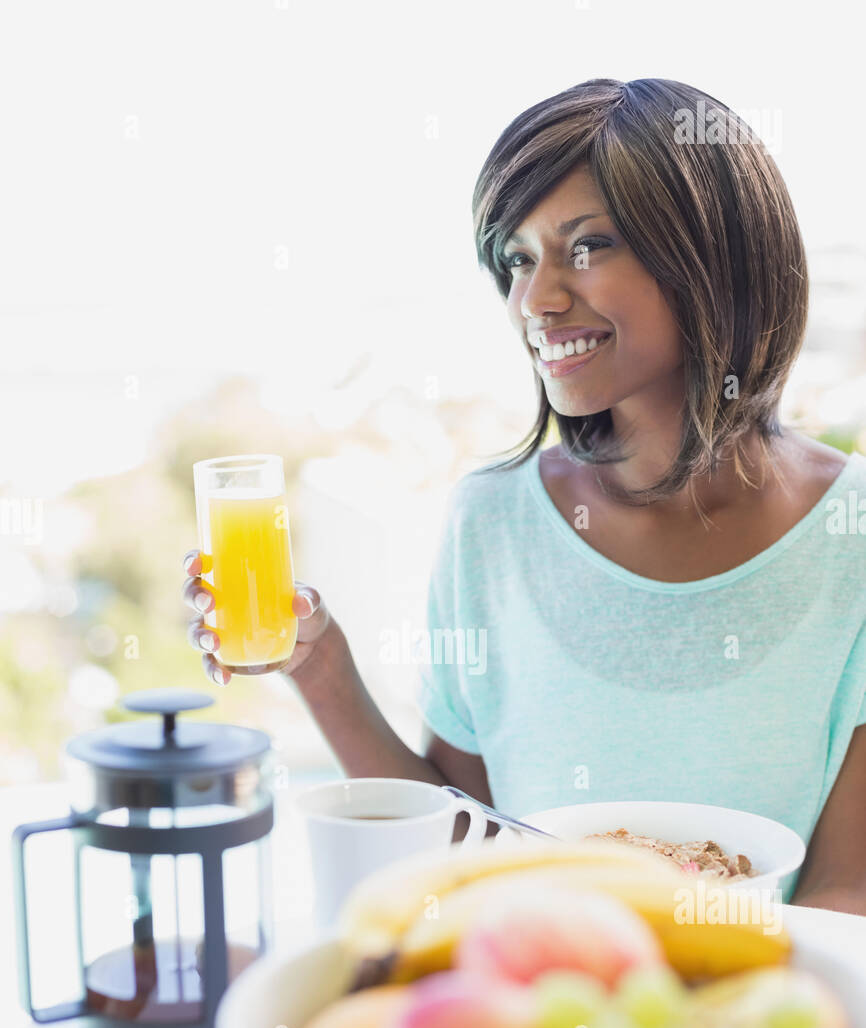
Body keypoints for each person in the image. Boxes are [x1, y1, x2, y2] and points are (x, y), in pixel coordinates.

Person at [183, 78, 866, 913]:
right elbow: (460, 842)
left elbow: (848, 887)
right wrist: (319, 666)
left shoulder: (852, 541)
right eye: (515, 258)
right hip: (533, 1015)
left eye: (585, 247)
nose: (534, 300)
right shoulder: (493, 522)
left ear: (710, 254)